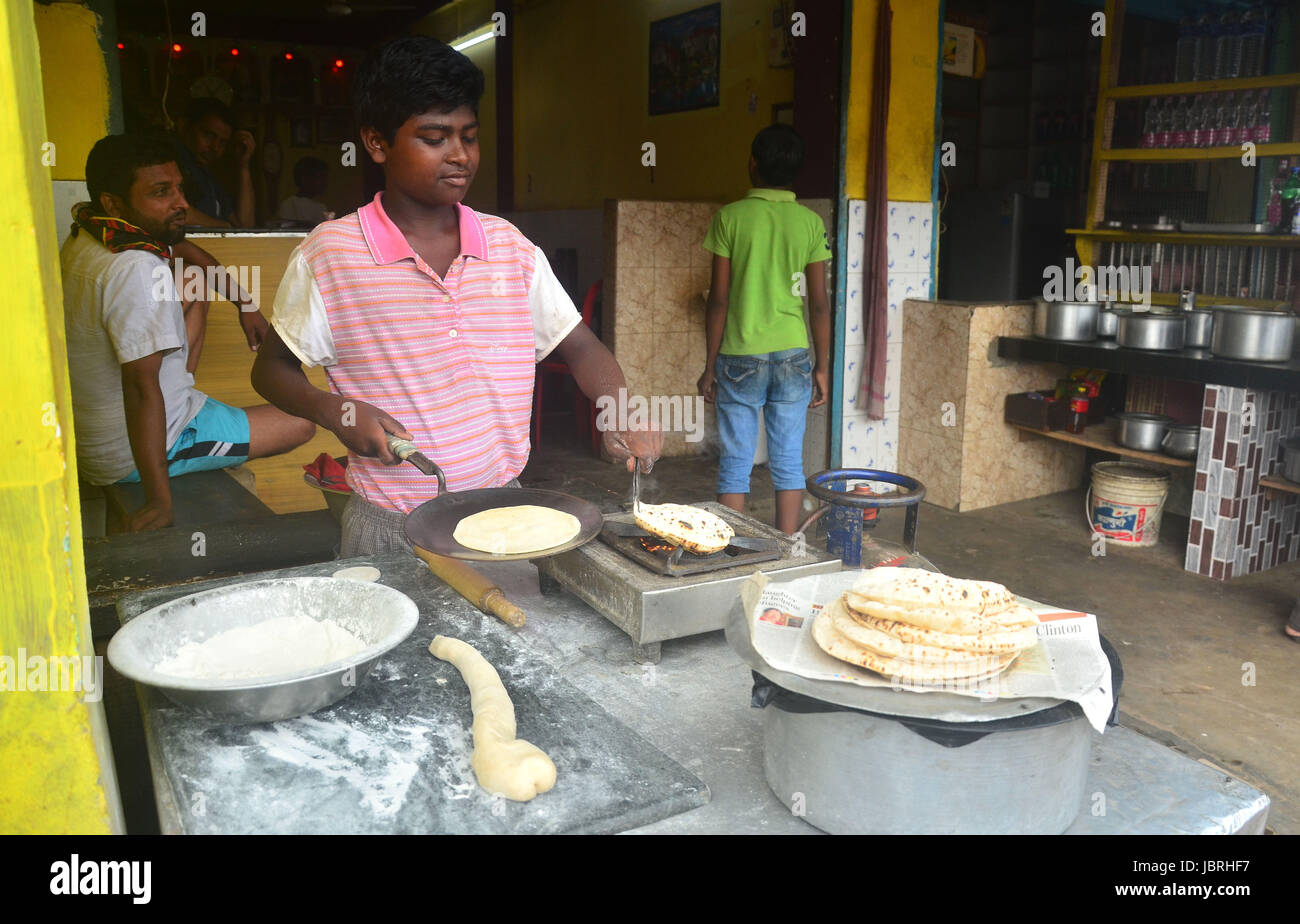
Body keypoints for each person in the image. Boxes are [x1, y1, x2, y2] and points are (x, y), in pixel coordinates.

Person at [251, 36, 660, 556]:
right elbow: (271, 371)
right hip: (388, 524)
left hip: (506, 515)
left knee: (509, 635)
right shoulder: (329, 255)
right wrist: (339, 413)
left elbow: (579, 346)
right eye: (434, 137)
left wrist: (618, 406)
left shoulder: (510, 249)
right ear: (377, 143)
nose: (460, 155)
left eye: (469, 136)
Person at [62, 134, 316, 531]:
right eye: (161, 192)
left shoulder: (93, 234)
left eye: (179, 188)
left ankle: (181, 391)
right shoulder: (136, 268)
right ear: (115, 203)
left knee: (194, 280)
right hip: (133, 451)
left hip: (96, 435)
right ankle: (186, 439)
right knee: (301, 420)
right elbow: (140, 389)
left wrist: (245, 303)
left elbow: (188, 251)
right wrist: (159, 502)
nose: (180, 202)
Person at [697, 124, 832, 535]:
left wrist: (710, 365)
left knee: (736, 462)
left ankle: (730, 548)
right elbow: (819, 304)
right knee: (788, 459)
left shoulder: (730, 217)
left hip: (740, 356)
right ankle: (789, 549)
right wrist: (822, 367)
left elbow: (719, 299)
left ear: (752, 164)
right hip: (793, 354)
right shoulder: (809, 223)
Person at [172, 97, 256, 227]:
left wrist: (243, 165)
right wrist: (223, 227)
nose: (215, 148)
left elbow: (245, 225)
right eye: (208, 135)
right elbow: (173, 210)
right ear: (183, 126)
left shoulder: (207, 176)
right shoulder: (168, 162)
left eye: (222, 142)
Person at [278, 156, 333, 226]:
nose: (324, 183)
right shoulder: (289, 204)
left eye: (325, 178)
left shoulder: (321, 207)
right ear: (304, 179)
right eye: (320, 178)